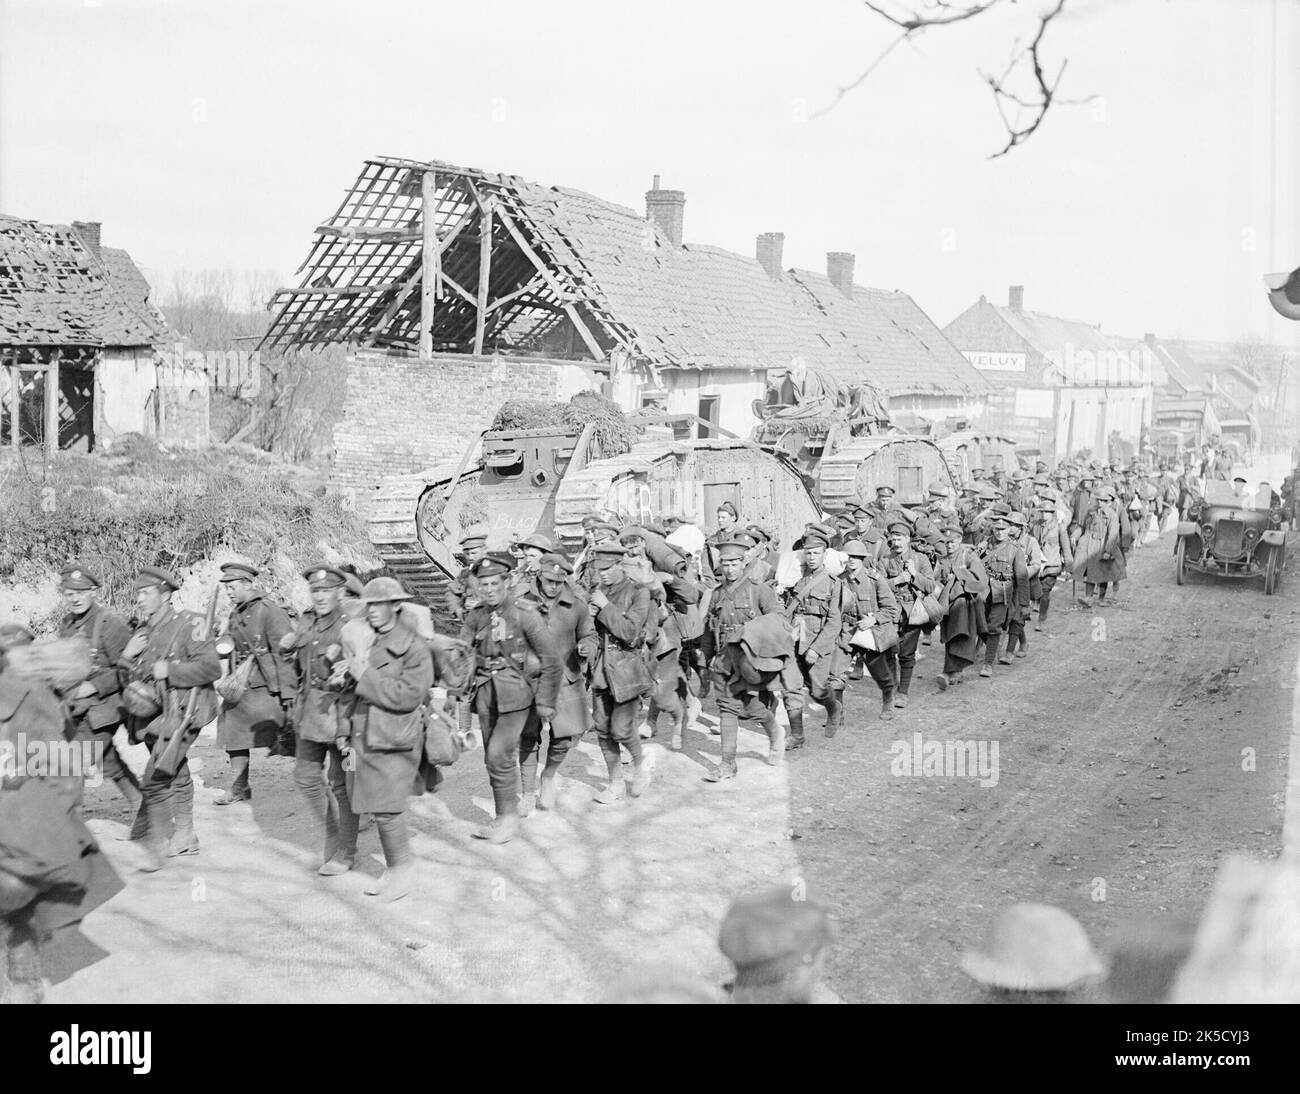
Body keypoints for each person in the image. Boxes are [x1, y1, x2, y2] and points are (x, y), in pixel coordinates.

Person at [0, 629, 123, 1004]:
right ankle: (23, 984)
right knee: (15, 912)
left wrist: (26, 797)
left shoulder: (25, 698)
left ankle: (24, 985)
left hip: (25, 835)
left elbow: (60, 773)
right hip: (19, 834)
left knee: (16, 902)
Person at [335, 577, 433, 900]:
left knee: (388, 807)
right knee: (378, 804)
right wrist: (343, 730)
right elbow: (348, 694)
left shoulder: (414, 647)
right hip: (366, 733)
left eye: (378, 605)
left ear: (396, 606)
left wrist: (364, 675)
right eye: (368, 605)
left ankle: (401, 870)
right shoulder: (366, 641)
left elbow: (409, 695)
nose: (372, 611)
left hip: (396, 736)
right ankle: (397, 868)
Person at [117, 567, 220, 870]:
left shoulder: (190, 624)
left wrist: (170, 671)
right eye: (137, 593)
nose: (139, 599)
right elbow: (131, 675)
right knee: (174, 768)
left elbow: (212, 669)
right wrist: (126, 655)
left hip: (185, 712)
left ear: (164, 595)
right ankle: (186, 835)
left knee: (155, 779)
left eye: (145, 593)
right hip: (153, 716)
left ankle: (159, 845)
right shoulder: (142, 630)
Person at [460, 557, 561, 840]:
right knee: (491, 760)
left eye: (495, 583)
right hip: (485, 695)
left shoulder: (525, 614)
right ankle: (502, 817)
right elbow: (462, 653)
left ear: (507, 582)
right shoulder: (476, 615)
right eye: (483, 584)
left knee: (498, 754)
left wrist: (546, 701)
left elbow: (552, 660)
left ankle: (508, 819)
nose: (489, 589)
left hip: (517, 695)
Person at [282, 565, 357, 876]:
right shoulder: (307, 621)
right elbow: (295, 665)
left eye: (327, 591)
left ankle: (347, 849)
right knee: (305, 776)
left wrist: (346, 728)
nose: (321, 596)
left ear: (340, 592)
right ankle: (332, 831)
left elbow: (356, 678)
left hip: (340, 710)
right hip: (310, 712)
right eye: (316, 591)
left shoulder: (349, 625)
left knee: (343, 786)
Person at [54, 562, 138, 818]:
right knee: (108, 760)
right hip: (75, 708)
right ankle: (141, 803)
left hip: (105, 710)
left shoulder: (110, 624)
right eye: (69, 593)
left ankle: (67, 825)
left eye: (81, 592)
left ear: (94, 592)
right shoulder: (67, 624)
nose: (75, 599)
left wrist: (94, 685)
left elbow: (129, 669)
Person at [699, 540, 787, 780]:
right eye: (725, 564)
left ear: (743, 562)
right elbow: (709, 629)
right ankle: (727, 764)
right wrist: (705, 659)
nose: (729, 569)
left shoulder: (758, 589)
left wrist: (753, 633)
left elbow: (778, 618)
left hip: (748, 657)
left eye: (734, 563)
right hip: (724, 657)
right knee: (726, 706)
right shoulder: (716, 593)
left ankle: (774, 732)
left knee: (750, 706)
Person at [516, 553, 595, 813]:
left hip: (565, 679)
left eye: (559, 582)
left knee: (564, 738)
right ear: (540, 575)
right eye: (549, 580)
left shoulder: (577, 605)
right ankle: (527, 793)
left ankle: (548, 776)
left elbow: (589, 634)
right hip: (530, 681)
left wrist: (586, 646)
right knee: (528, 737)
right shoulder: (521, 601)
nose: (554, 586)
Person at [214, 562, 294, 805]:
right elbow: (233, 642)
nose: (229, 591)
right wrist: (223, 641)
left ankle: (327, 781)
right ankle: (240, 787)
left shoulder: (269, 610)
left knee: (294, 736)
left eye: (233, 586)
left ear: (248, 585)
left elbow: (285, 653)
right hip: (243, 685)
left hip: (268, 688)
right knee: (232, 729)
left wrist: (289, 694)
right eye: (226, 587)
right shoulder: (236, 613)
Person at [587, 543, 654, 803]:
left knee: (622, 728)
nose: (602, 574)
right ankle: (615, 782)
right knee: (603, 729)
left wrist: (604, 608)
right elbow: (588, 633)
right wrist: (589, 618)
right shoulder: (597, 593)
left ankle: (640, 763)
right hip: (601, 670)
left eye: (607, 568)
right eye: (598, 569)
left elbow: (630, 633)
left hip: (627, 670)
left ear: (619, 565)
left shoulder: (639, 592)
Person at [717, 887, 834, 1004]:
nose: (819, 972)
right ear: (794, 976)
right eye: (816, 966)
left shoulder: (740, 991)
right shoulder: (796, 986)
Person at [781, 529, 843, 746]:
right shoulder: (796, 580)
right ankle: (797, 735)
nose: (811, 557)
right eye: (808, 553)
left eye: (816, 553)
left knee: (817, 690)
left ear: (825, 555)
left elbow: (834, 622)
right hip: (795, 640)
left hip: (817, 643)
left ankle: (834, 708)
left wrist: (816, 649)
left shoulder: (834, 584)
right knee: (791, 686)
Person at [877, 520, 937, 709]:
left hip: (913, 611)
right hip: (890, 610)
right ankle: (893, 687)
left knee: (907, 654)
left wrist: (914, 575)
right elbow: (876, 586)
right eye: (894, 538)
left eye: (900, 538)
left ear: (908, 539)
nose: (896, 542)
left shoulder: (920, 559)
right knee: (888, 651)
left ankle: (903, 692)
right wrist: (896, 580)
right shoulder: (885, 560)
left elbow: (930, 587)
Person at [839, 540, 899, 719]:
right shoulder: (838, 580)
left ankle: (888, 700)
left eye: (856, 557)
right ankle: (837, 712)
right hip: (846, 631)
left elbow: (891, 608)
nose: (852, 560)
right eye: (849, 557)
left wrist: (873, 620)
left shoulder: (875, 579)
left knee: (880, 674)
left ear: (862, 559)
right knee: (836, 673)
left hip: (869, 634)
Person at [934, 525, 988, 689]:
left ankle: (951, 671)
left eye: (953, 542)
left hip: (966, 603)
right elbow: (934, 579)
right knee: (950, 637)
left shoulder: (968, 556)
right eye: (947, 542)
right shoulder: (942, 559)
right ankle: (954, 671)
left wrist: (959, 576)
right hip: (947, 603)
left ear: (960, 540)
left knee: (961, 635)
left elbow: (981, 580)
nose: (949, 546)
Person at [976, 518, 1028, 677]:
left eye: (1003, 529)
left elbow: (1022, 577)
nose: (999, 532)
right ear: (992, 529)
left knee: (994, 626)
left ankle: (988, 663)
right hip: (983, 592)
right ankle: (995, 645)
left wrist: (1024, 603)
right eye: (997, 529)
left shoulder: (1015, 549)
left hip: (1003, 593)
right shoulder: (984, 544)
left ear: (1009, 530)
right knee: (979, 625)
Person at [1074, 486, 1126, 607]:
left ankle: (1101, 598)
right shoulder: (1091, 512)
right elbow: (1081, 527)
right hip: (1089, 544)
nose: (1100, 502)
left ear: (1108, 501)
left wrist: (1108, 550)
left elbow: (1113, 534)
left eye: (1103, 500)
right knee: (1091, 572)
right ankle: (1088, 598)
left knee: (1103, 573)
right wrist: (1074, 536)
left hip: (1103, 545)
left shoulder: (1112, 515)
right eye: (1098, 500)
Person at [1029, 497, 1074, 632]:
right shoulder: (1036, 526)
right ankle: (1033, 607)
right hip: (1037, 564)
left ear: (1052, 513)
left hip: (1052, 565)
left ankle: (1042, 619)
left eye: (1047, 512)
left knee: (1045, 592)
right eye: (1042, 512)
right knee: (1033, 590)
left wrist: (1069, 567)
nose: (1044, 515)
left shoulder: (1059, 527)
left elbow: (1065, 547)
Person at [1003, 512, 1041, 661]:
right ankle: (1024, 642)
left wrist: (1022, 573)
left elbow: (1036, 565)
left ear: (1021, 528)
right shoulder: (1004, 541)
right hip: (1005, 585)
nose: (1011, 529)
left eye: (1014, 526)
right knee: (1008, 616)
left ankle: (1009, 652)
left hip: (1022, 586)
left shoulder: (1031, 542)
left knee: (1017, 618)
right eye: (1009, 525)